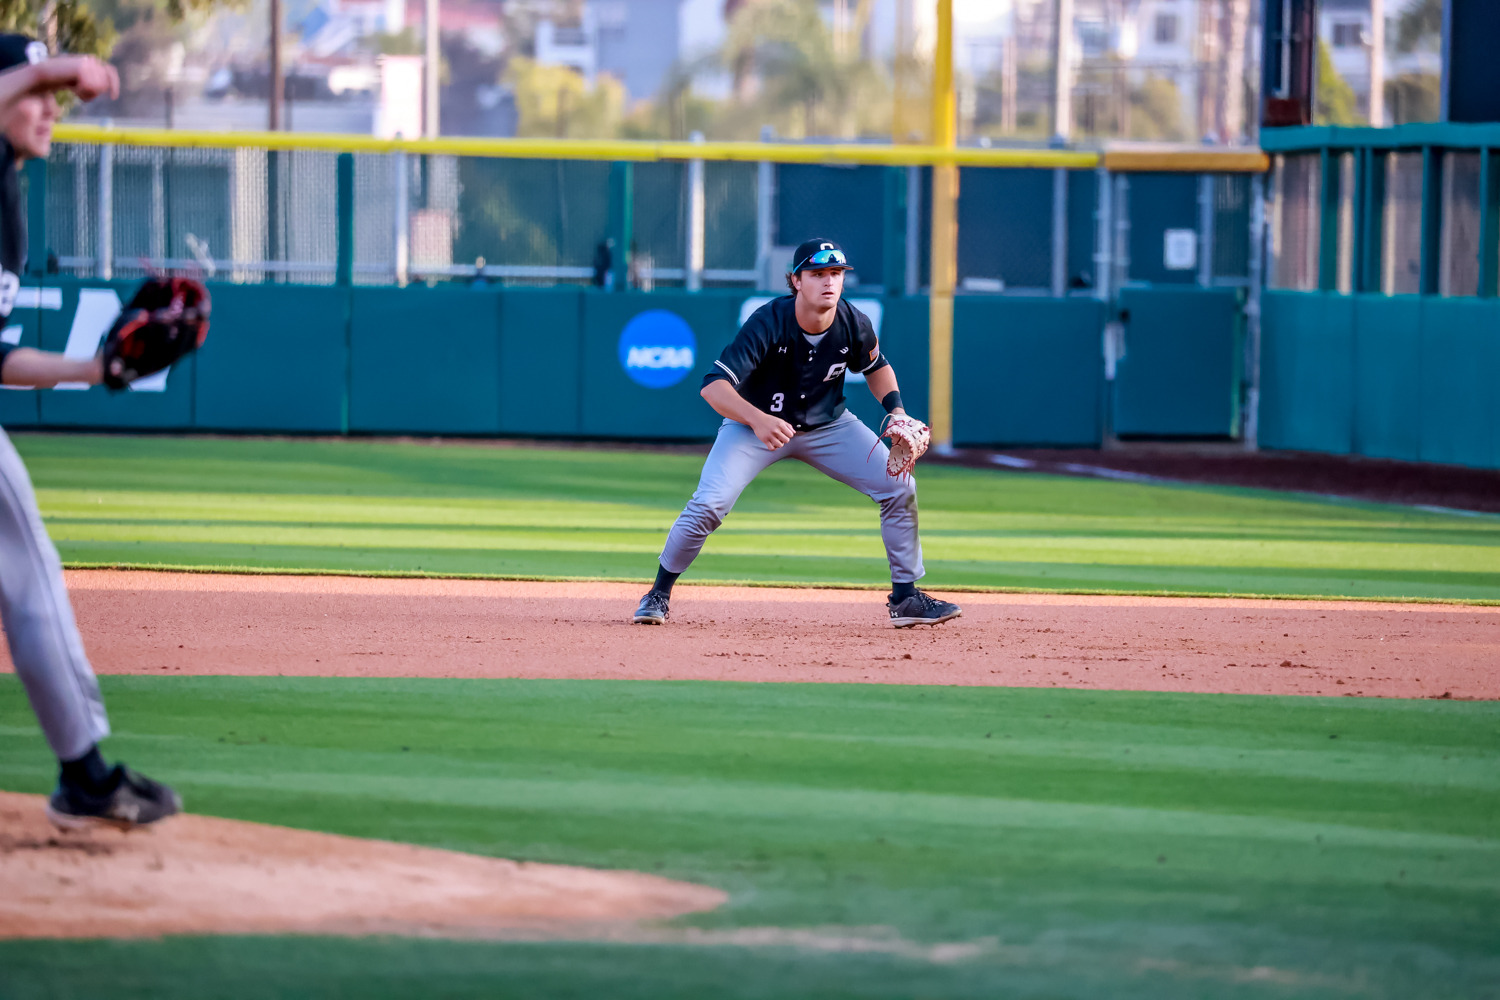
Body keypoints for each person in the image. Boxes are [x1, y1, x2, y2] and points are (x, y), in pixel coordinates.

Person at [0, 35, 181, 829]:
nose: (50, 110)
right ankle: (84, 774)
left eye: (57, 99)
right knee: (30, 573)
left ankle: (83, 772)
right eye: (36, 94)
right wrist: (51, 69)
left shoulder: (10, 205)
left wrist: (94, 369)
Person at [633, 239, 962, 629]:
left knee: (899, 486)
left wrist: (896, 410)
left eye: (836, 274)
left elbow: (876, 367)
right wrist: (756, 419)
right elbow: (714, 386)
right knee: (709, 504)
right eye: (818, 274)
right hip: (754, 428)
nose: (829, 282)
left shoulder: (853, 322)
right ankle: (659, 592)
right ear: (796, 280)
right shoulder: (768, 321)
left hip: (829, 427)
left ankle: (905, 598)